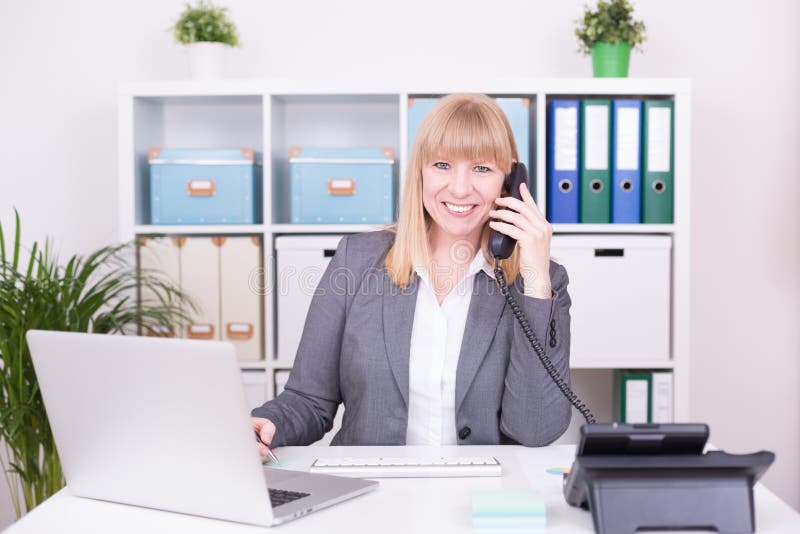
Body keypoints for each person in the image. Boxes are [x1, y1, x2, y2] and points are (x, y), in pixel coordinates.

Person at [252, 93, 572, 461]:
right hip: (374, 495)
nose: (460, 188)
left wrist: (535, 283)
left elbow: (536, 430)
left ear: (510, 179)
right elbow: (309, 399)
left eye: (481, 168)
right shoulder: (355, 260)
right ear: (419, 170)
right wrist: (268, 423)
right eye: (442, 165)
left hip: (482, 498)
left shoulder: (543, 283)